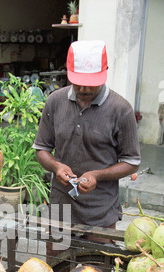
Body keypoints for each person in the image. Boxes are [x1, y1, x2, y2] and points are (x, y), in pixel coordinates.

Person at [33, 40, 141, 257]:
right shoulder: (55, 102)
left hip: (100, 209)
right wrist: (56, 167)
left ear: (105, 73)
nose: (83, 89)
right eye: (78, 82)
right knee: (57, 270)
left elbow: (131, 161)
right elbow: (41, 149)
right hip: (61, 206)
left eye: (91, 83)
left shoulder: (121, 109)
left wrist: (97, 175)